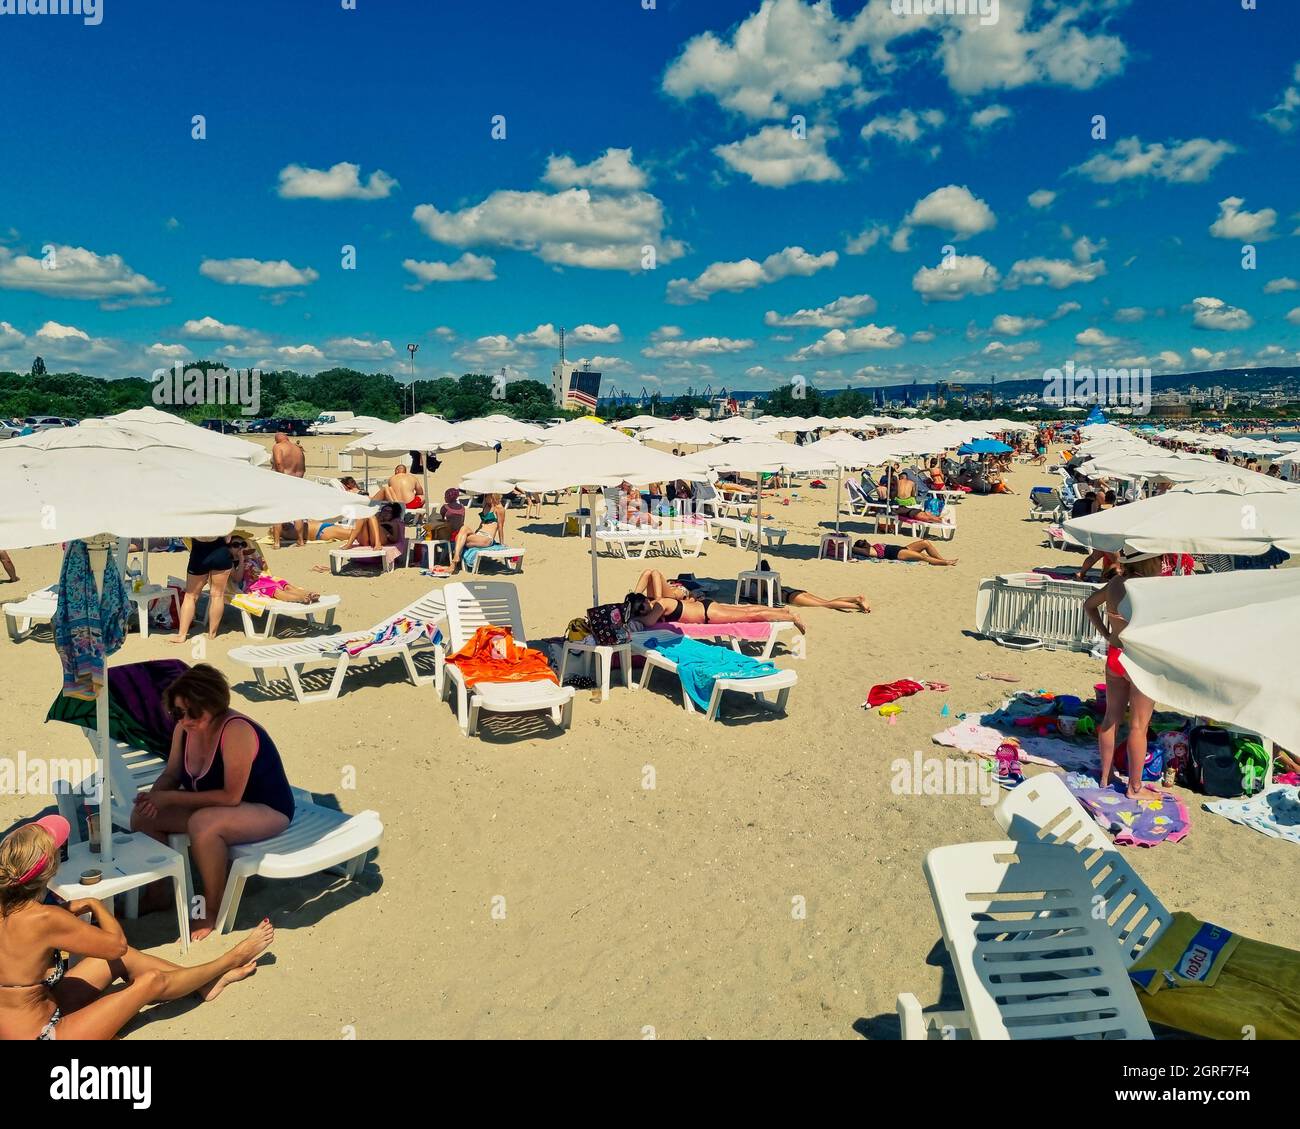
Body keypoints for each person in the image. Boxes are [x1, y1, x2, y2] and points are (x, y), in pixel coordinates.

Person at [0, 813, 275, 1040]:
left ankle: (205, 985)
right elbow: (115, 945)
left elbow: (24, 937)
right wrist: (95, 904)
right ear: (51, 868)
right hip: (43, 1035)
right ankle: (228, 961)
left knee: (112, 961)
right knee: (148, 979)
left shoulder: (17, 910)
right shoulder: (47, 919)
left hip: (35, 1014)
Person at [131, 664, 295, 940]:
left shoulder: (235, 730)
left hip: (267, 808)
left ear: (214, 705)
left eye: (192, 712)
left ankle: (211, 907)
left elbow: (231, 797)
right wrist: (152, 799)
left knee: (202, 824)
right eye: (177, 712)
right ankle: (158, 891)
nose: (185, 719)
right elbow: (172, 773)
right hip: (219, 807)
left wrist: (168, 797)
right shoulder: (184, 730)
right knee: (142, 817)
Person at [1084, 555, 1164, 798]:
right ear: (1149, 562)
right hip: (1138, 660)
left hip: (1116, 655)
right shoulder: (1149, 589)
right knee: (1139, 726)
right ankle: (1134, 787)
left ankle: (1105, 777)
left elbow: (1089, 605)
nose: (1162, 564)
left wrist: (1106, 633)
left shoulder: (1116, 583)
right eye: (1159, 560)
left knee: (1111, 717)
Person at [634, 567, 869, 612]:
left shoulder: (764, 591)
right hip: (793, 593)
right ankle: (855, 599)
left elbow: (653, 575)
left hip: (792, 597)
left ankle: (854, 603)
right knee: (824, 601)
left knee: (825, 603)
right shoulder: (775, 587)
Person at [625, 590, 807, 635]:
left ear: (646, 600)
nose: (642, 610)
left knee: (750, 615)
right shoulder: (659, 605)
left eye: (641, 606)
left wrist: (632, 616)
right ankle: (781, 610)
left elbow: (648, 622)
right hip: (706, 607)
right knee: (748, 609)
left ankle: (790, 617)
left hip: (707, 614)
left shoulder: (659, 605)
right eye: (638, 610)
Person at [171, 535, 234, 643]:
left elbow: (184, 535)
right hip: (221, 553)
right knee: (217, 595)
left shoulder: (195, 518)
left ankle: (182, 635)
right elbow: (228, 539)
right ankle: (212, 634)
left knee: (190, 596)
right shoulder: (223, 517)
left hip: (199, 554)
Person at [229, 534, 320, 605]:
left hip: (264, 579)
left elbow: (262, 569)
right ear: (229, 548)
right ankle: (301, 598)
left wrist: (260, 562)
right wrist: (241, 560)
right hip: (253, 586)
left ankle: (308, 594)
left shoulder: (249, 558)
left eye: (243, 544)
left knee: (286, 586)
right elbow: (237, 579)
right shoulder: (230, 563)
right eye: (236, 545)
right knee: (276, 591)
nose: (240, 547)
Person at [270, 432, 307, 548]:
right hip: (298, 482)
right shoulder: (298, 449)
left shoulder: (278, 447)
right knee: (298, 513)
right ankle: (300, 540)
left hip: (284, 482)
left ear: (277, 440)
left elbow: (279, 462)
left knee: (277, 513)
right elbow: (303, 468)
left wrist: (282, 478)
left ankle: (276, 542)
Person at [451, 494, 506, 571]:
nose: (485, 497)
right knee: (464, 529)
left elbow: (500, 527)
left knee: (459, 538)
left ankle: (455, 561)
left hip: (487, 538)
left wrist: (502, 543)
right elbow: (482, 523)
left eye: (487, 495)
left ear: (493, 496)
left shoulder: (499, 509)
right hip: (478, 535)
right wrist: (476, 533)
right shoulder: (486, 506)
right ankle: (456, 557)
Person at [853, 539, 958, 566]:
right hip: (898, 554)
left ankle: (941, 559)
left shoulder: (872, 546)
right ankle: (945, 563)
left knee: (925, 543)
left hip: (903, 548)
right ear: (862, 547)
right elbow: (855, 550)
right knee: (923, 556)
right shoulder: (869, 551)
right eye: (863, 542)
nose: (866, 542)